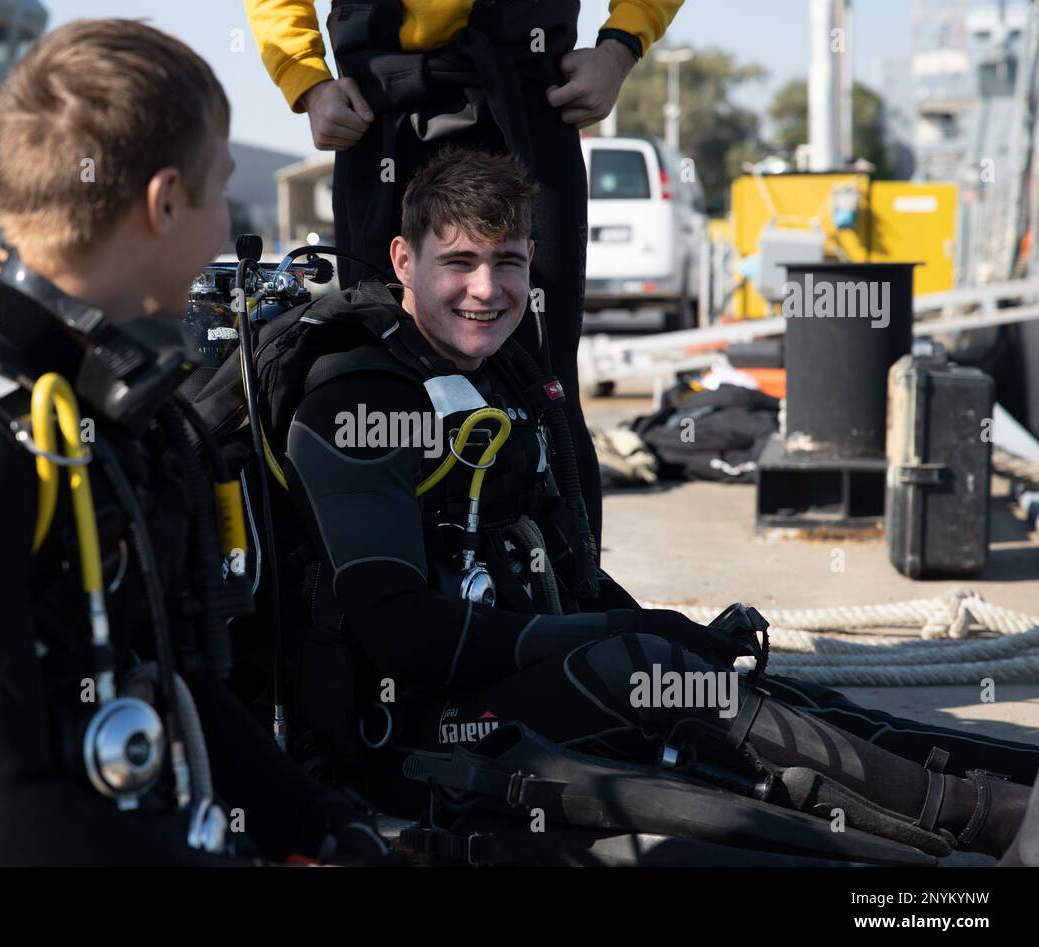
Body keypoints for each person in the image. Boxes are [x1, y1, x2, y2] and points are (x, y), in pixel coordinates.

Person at [220, 146, 1037, 860]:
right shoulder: (354, 401)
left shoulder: (493, 375)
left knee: (755, 688)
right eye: (459, 262)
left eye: (507, 262)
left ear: (534, 260)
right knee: (656, 672)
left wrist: (646, 628)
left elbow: (554, 564)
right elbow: (399, 633)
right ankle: (982, 822)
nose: (486, 289)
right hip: (410, 735)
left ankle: (1007, 782)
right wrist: (623, 634)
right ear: (403, 260)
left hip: (501, 677)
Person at [0, 18, 381, 865]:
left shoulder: (98, 409)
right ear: (164, 203)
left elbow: (169, 676)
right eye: (221, 200)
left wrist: (322, 822)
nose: (222, 238)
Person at [245, 0, 686, 557]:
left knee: (541, 375)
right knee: (374, 364)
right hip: (375, 111)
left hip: (527, 96)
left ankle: (569, 595)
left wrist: (620, 46)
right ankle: (390, 595)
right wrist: (306, 80)